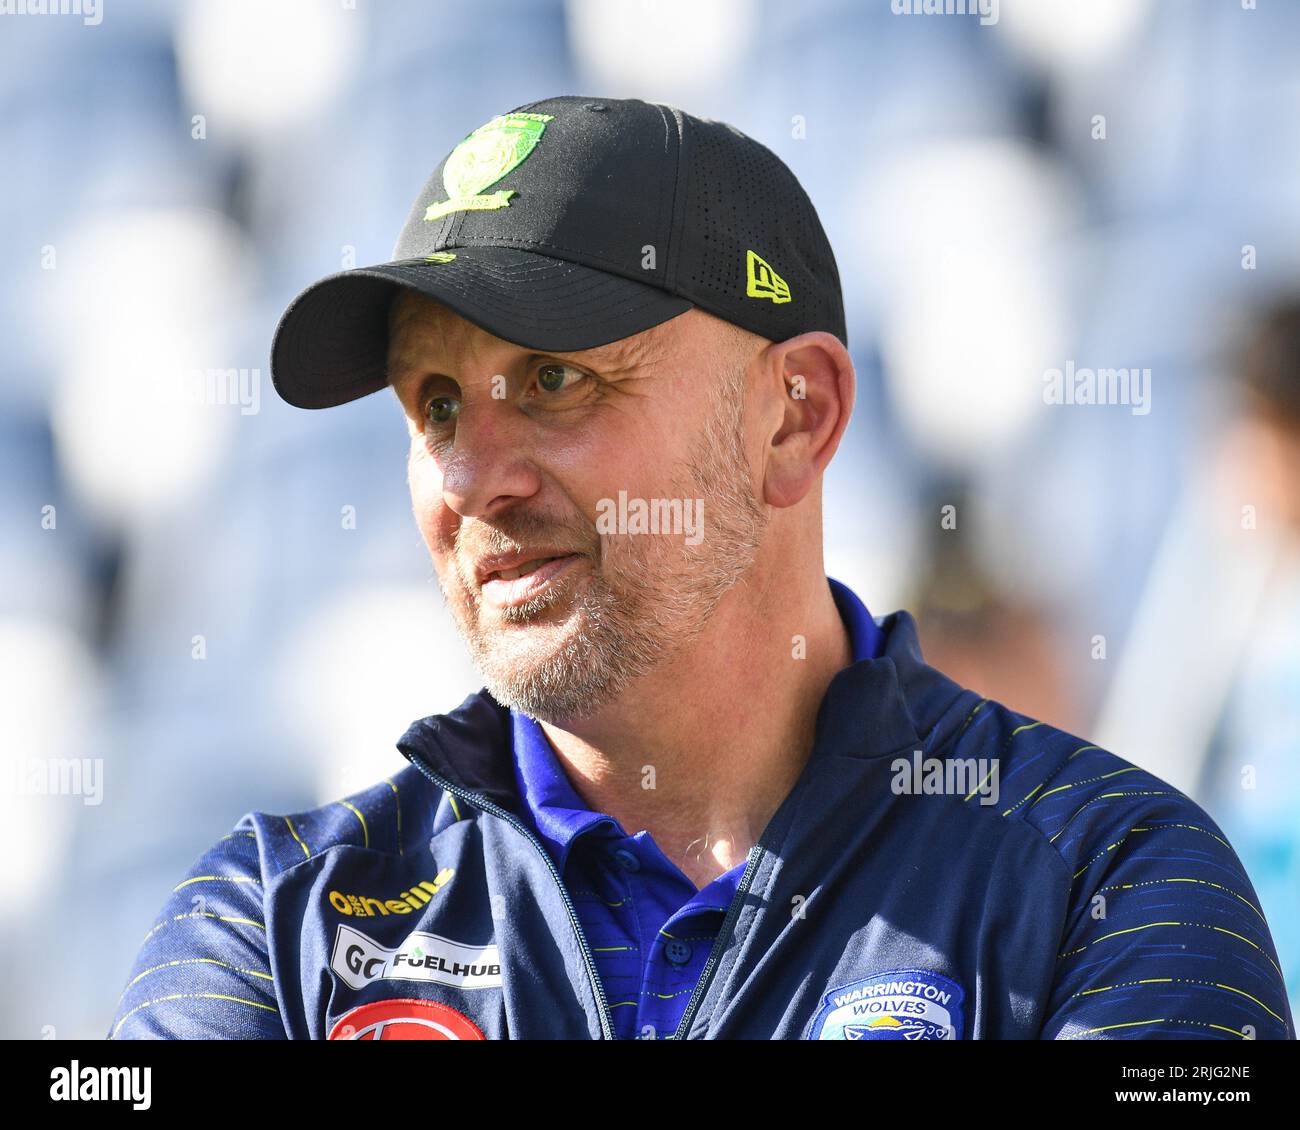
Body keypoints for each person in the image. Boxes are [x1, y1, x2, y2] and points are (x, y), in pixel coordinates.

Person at [108, 96, 1293, 1040]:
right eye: (436, 404)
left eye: (557, 380)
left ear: (793, 415)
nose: (477, 476)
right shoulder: (267, 923)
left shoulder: (1114, 878)